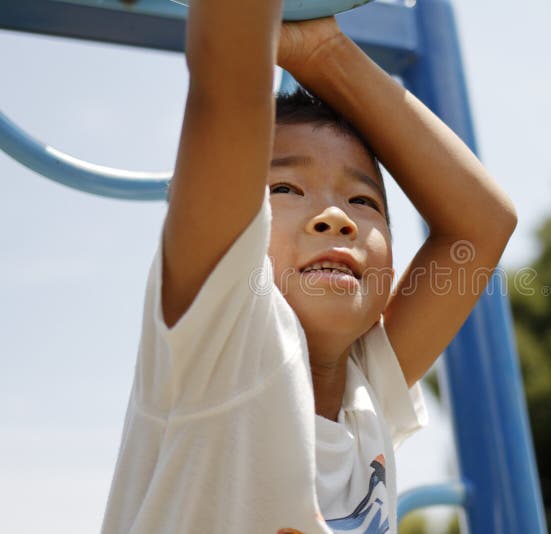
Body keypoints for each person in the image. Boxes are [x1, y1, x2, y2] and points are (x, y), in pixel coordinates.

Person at [101, 0, 517, 532]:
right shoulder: (221, 347)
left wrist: (326, 53)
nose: (335, 218)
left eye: (364, 203)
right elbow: (226, 92)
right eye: (284, 189)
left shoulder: (367, 393)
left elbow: (481, 226)